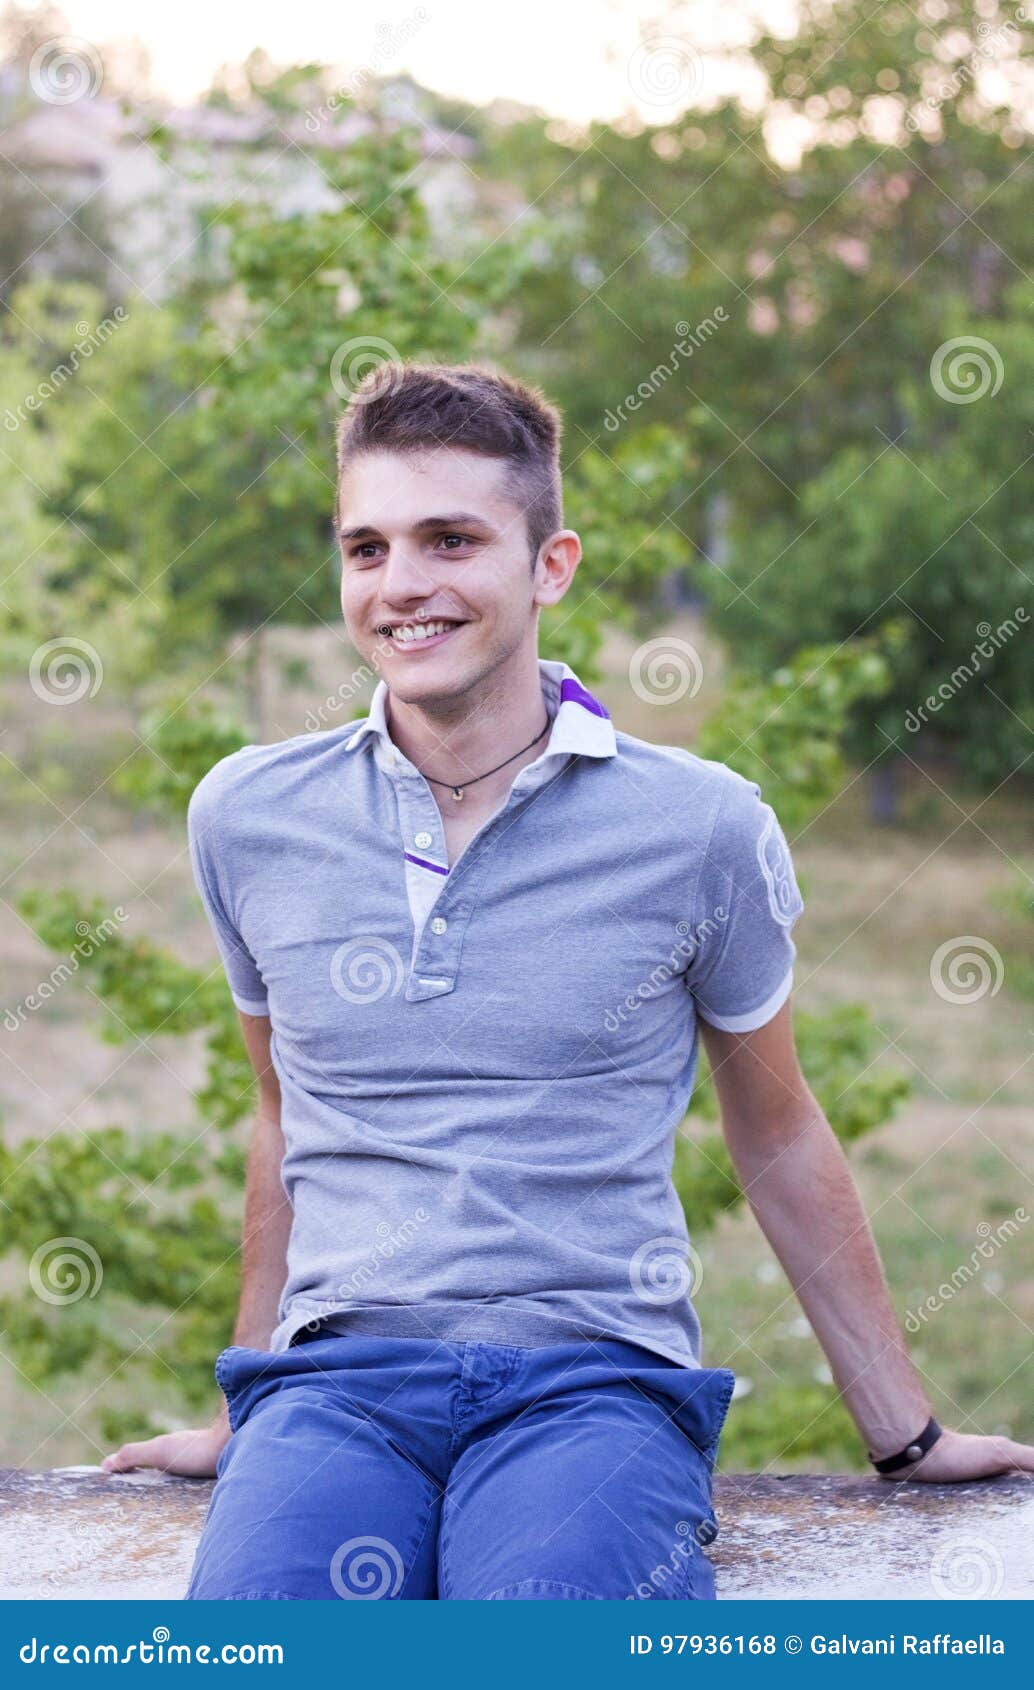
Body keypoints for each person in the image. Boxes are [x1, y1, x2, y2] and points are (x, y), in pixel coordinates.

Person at [102, 362, 1034, 1600]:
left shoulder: (698, 827)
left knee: (550, 1640)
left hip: (595, 1385)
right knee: (265, 1648)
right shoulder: (247, 814)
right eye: (367, 548)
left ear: (550, 565)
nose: (400, 583)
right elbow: (286, 1119)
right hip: (334, 1386)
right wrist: (242, 1408)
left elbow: (774, 1130)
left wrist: (903, 1432)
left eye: (450, 540)